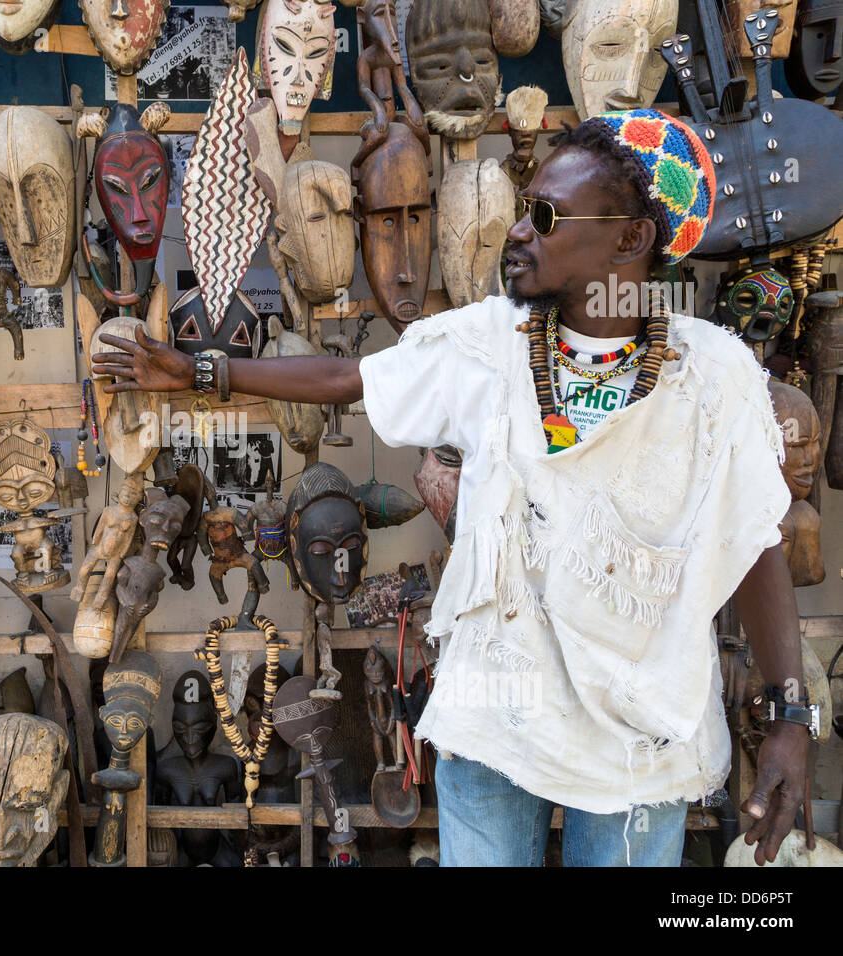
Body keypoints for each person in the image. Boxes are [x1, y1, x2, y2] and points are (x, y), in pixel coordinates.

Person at [92, 109, 812, 867]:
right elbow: (346, 378)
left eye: (544, 215)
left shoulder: (710, 376)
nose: (518, 233)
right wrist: (200, 371)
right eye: (521, 210)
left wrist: (790, 716)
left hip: (641, 735)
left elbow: (756, 537)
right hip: (498, 716)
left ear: (629, 240)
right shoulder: (488, 344)